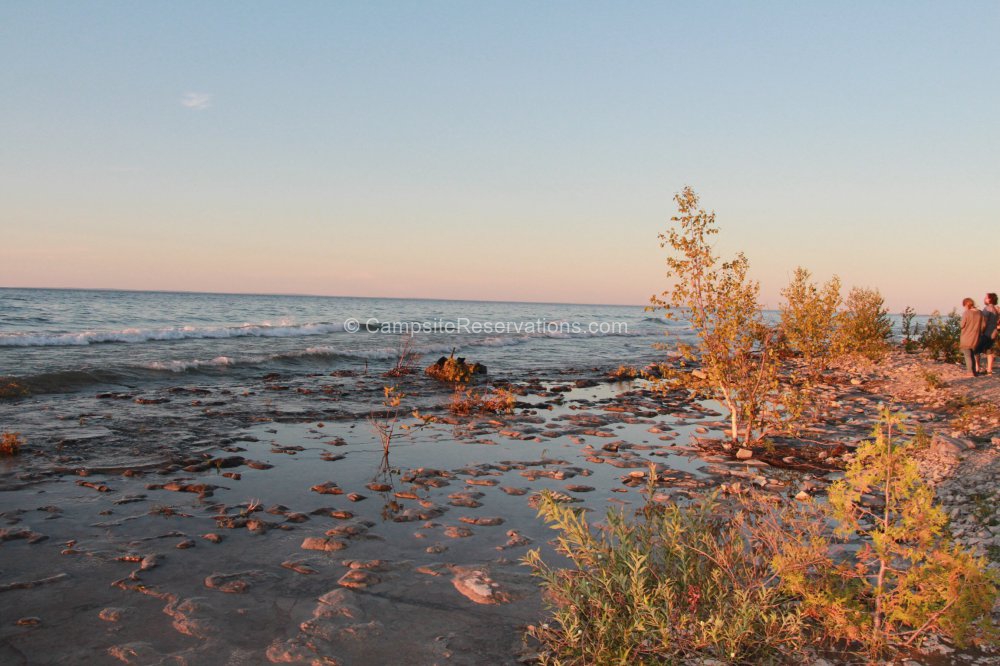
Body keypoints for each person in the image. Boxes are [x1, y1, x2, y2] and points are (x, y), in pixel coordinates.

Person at [960, 297, 985, 377]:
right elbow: (983, 325)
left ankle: (970, 372)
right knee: (973, 354)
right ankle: (974, 371)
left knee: (967, 354)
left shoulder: (967, 313)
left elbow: (962, 325)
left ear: (966, 304)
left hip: (966, 337)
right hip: (976, 337)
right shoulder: (980, 313)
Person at [980, 292, 1000, 374]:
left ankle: (977, 368)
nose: (984, 299)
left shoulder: (988, 309)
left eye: (986, 298)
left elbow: (984, 322)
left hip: (987, 333)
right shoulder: (995, 309)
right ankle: (989, 369)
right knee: (989, 351)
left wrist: (981, 331)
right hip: (994, 333)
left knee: (977, 350)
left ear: (990, 299)